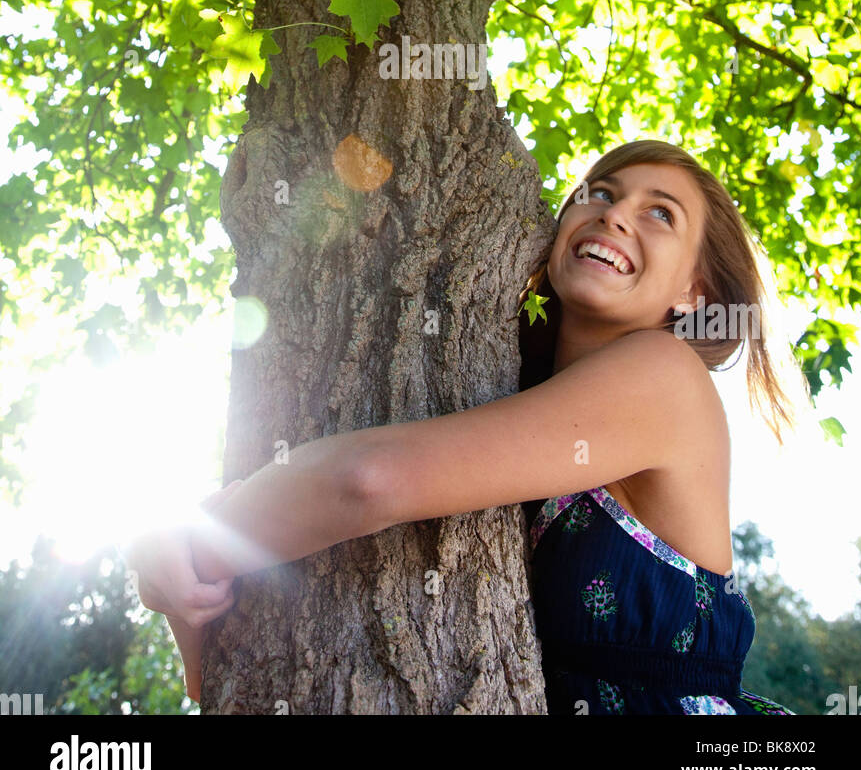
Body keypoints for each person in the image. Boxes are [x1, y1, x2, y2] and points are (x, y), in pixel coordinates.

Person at [125, 138, 807, 713]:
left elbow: (368, 481)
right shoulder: (523, 406)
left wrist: (193, 542)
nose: (615, 215)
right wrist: (175, 581)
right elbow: (218, 677)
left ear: (698, 294)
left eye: (660, 213)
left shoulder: (665, 375)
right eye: (599, 193)